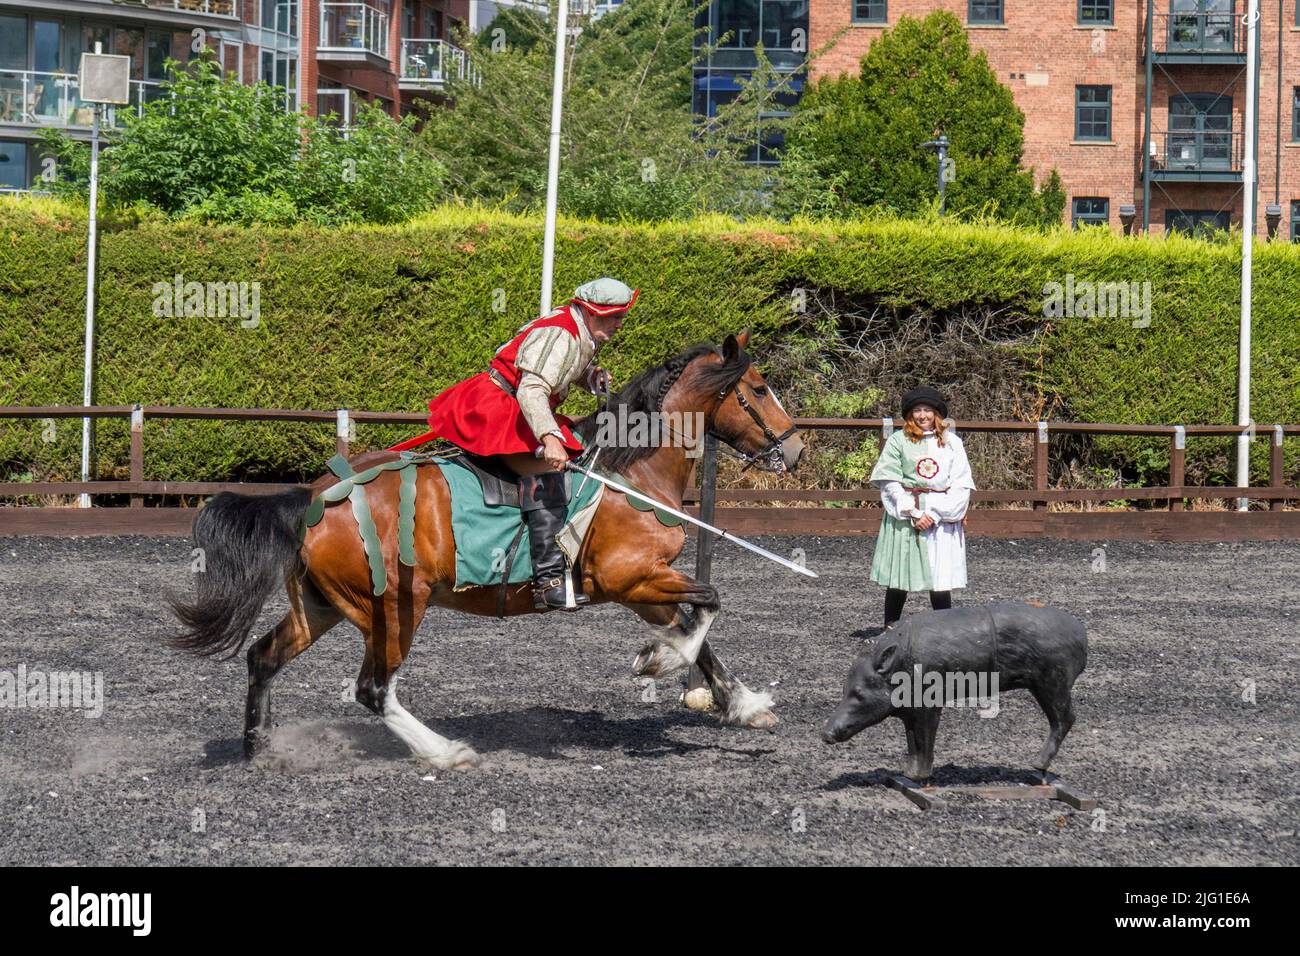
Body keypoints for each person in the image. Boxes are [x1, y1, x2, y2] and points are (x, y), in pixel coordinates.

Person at [391, 277, 637, 610]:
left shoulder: (578, 328)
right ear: (592, 312)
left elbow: (560, 367)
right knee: (547, 473)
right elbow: (532, 390)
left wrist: (589, 377)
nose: (620, 323)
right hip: (502, 408)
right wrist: (550, 439)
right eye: (615, 316)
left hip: (512, 402)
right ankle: (548, 580)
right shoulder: (562, 332)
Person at [868, 386, 975, 628]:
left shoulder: (952, 443)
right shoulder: (898, 441)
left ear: (936, 414)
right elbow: (890, 481)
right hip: (908, 514)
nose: (923, 415)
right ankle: (890, 628)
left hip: (940, 514)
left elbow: (961, 483)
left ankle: (944, 629)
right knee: (899, 575)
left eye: (928, 410)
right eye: (917, 410)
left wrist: (936, 513)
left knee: (940, 576)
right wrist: (913, 512)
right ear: (909, 415)